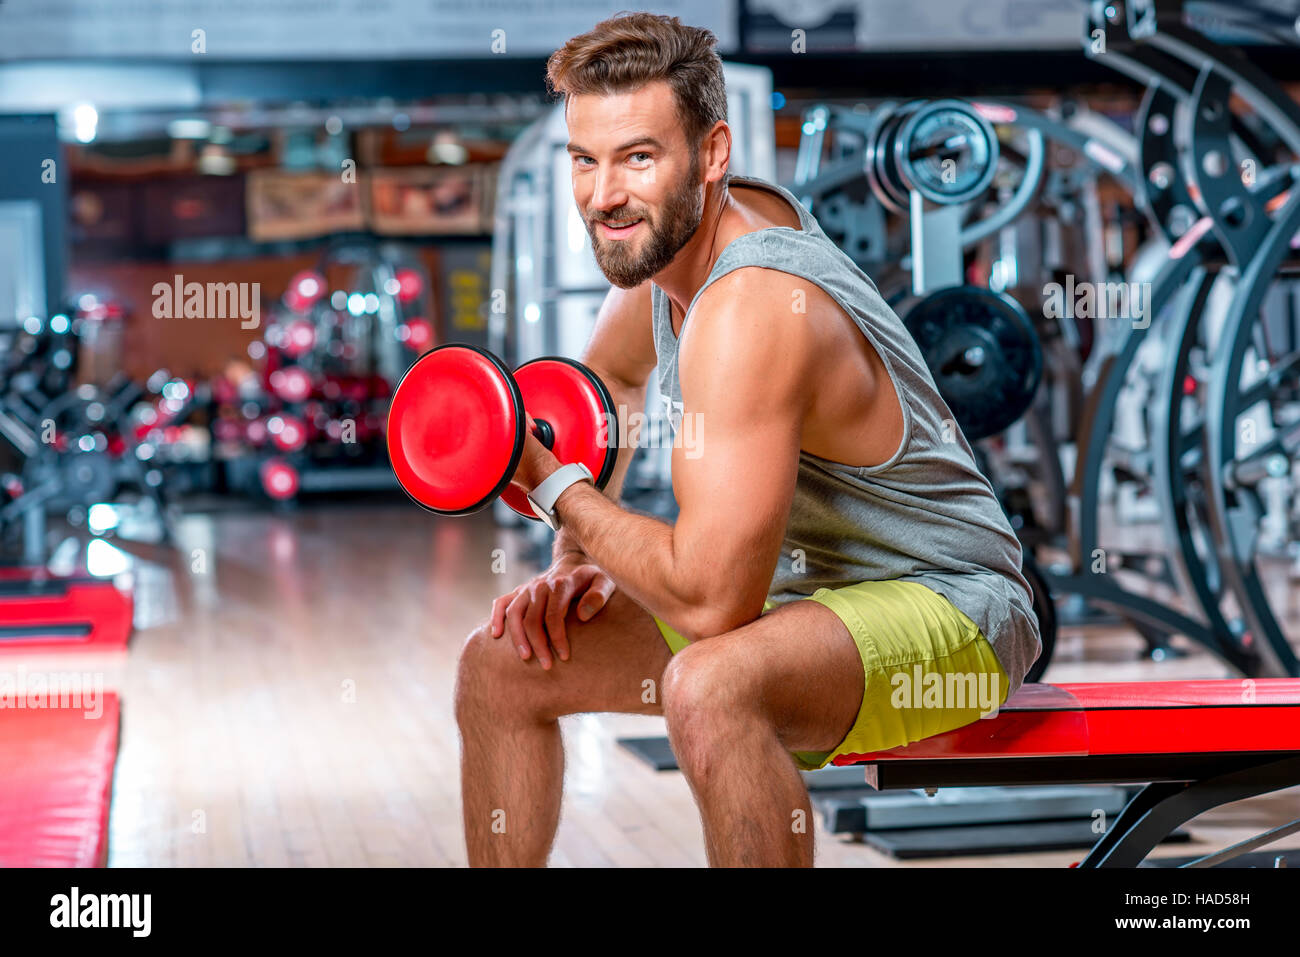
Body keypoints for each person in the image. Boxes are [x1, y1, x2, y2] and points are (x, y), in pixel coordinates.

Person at [455, 11, 1041, 867]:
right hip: (802, 597)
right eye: (587, 159)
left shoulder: (753, 304)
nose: (604, 194)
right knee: (503, 662)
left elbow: (711, 603)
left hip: (951, 601)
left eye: (639, 157)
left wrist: (555, 485)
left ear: (713, 153)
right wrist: (573, 558)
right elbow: (604, 385)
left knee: (712, 683)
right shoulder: (670, 249)